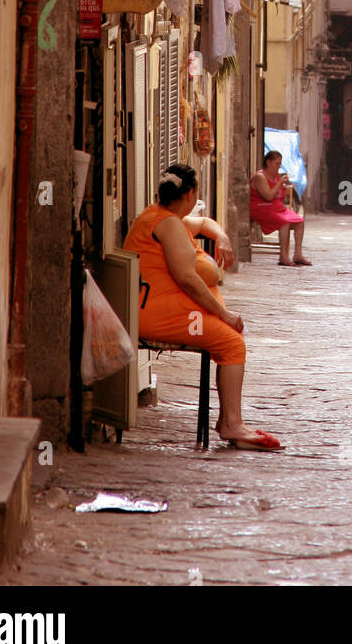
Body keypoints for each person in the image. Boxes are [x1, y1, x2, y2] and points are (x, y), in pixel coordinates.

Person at [124, 163, 282, 450]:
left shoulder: (163, 216)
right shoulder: (169, 224)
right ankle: (231, 423)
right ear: (190, 193)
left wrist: (221, 237)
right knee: (233, 343)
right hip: (156, 314)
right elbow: (187, 279)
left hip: (157, 308)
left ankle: (230, 420)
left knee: (230, 339)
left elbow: (205, 223)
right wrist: (223, 313)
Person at [250, 150, 312, 266]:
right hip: (261, 208)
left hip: (276, 208)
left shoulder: (276, 176)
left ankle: (298, 254)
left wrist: (282, 189)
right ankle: (283, 256)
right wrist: (279, 185)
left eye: (280, 163)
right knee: (284, 223)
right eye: (277, 163)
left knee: (299, 222)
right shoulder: (260, 177)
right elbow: (268, 196)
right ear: (268, 162)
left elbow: (277, 196)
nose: (279, 167)